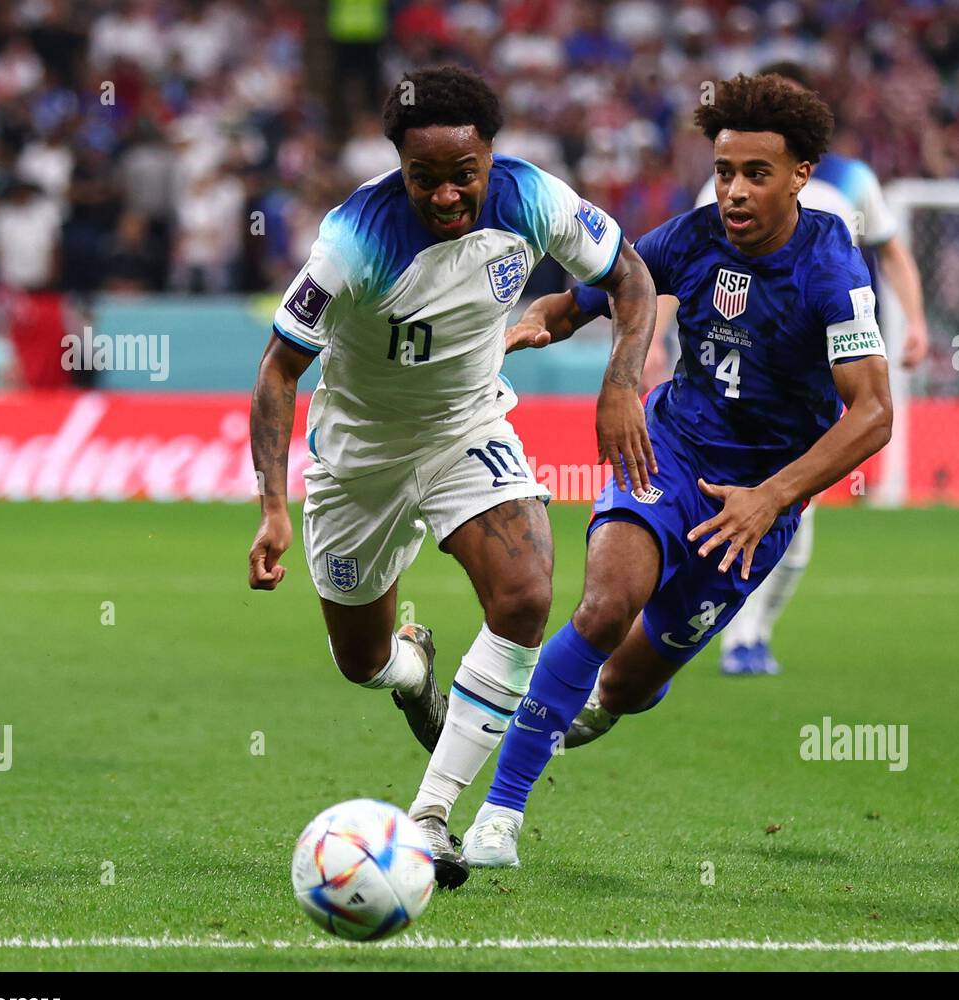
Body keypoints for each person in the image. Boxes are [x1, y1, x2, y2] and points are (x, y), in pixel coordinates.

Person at [460, 72, 893, 867]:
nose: (733, 190)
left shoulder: (832, 263)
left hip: (755, 499)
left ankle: (575, 708)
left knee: (624, 688)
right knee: (601, 605)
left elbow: (872, 413)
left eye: (756, 174)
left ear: (802, 175)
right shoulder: (690, 238)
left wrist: (773, 496)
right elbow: (598, 293)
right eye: (725, 170)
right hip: (668, 452)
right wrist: (531, 324)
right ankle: (498, 815)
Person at [247, 66, 656, 889]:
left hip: (467, 427)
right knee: (359, 662)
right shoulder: (352, 241)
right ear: (397, 165)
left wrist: (621, 381)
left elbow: (631, 278)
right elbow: (278, 371)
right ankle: (410, 667)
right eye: (422, 177)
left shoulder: (534, 198)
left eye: (461, 175)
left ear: (489, 158)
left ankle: (431, 818)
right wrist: (272, 507)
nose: (443, 194)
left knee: (526, 595)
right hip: (359, 459)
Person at [693, 62, 928, 677]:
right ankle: (699, 622)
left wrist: (917, 322)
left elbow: (892, 250)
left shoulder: (852, 180)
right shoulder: (725, 184)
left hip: (822, 357)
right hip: (736, 353)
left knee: (796, 504)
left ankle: (750, 634)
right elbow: (682, 265)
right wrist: (661, 340)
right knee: (714, 491)